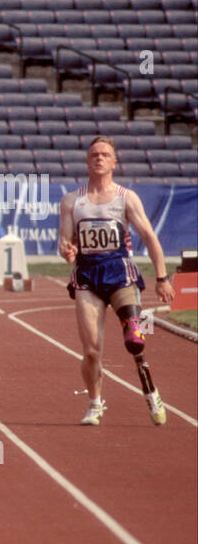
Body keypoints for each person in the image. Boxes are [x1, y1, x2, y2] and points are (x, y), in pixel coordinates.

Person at [58, 137, 173, 426]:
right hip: (86, 276)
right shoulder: (72, 200)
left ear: (114, 162)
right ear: (87, 161)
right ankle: (95, 403)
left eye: (105, 154)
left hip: (121, 273)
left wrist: (162, 278)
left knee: (135, 339)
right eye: (94, 154)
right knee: (91, 349)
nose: (99, 158)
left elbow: (149, 237)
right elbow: (65, 241)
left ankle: (148, 382)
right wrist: (67, 249)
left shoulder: (126, 198)